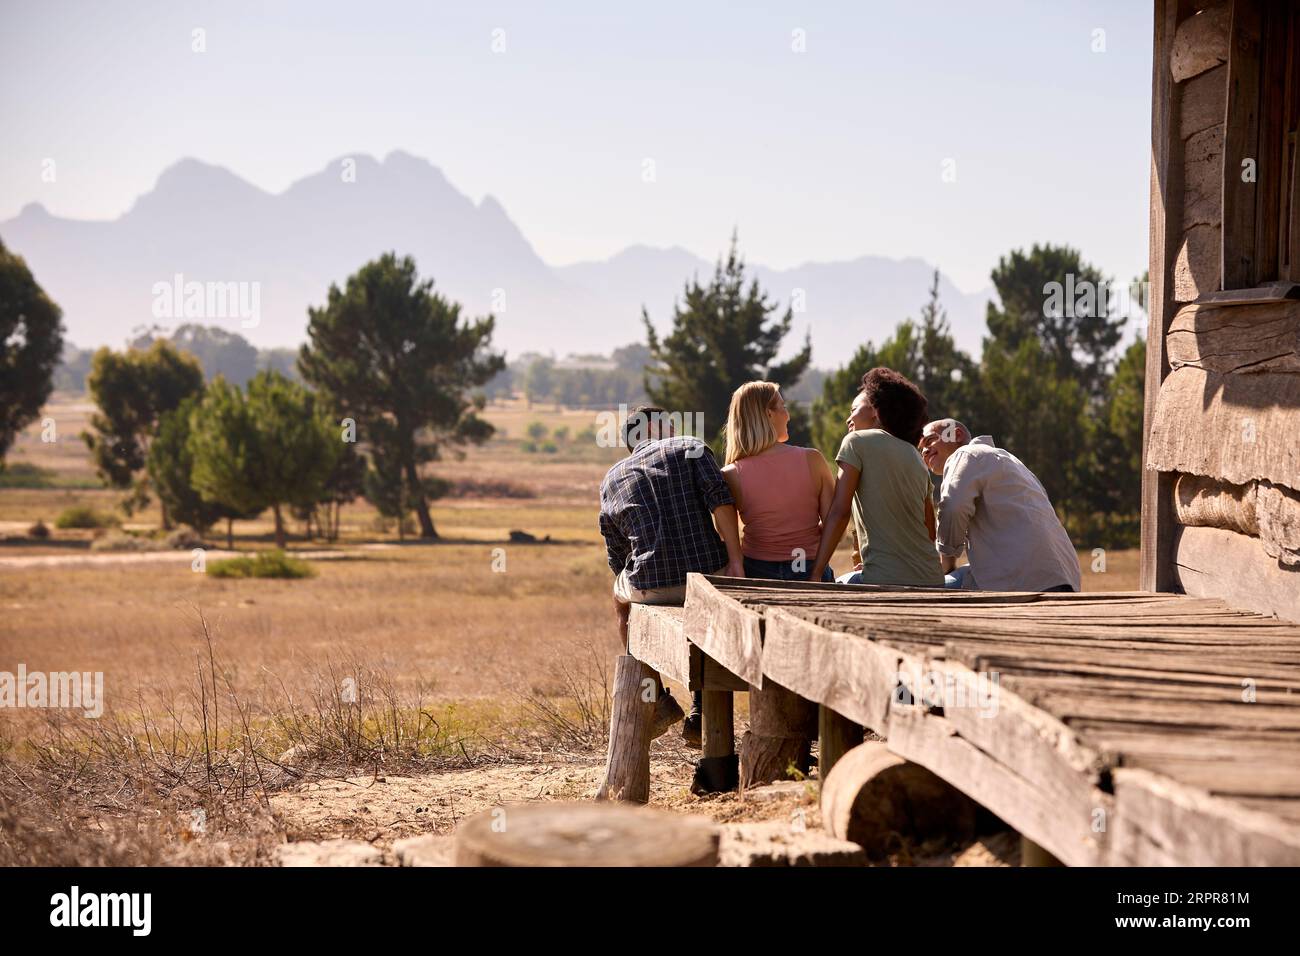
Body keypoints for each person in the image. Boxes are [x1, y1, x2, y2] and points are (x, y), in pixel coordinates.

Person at [599, 405, 745, 747]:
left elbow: (616, 556)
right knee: (706, 624)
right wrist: (735, 560)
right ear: (653, 427)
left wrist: (630, 583)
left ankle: (660, 700)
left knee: (620, 599)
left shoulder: (612, 477)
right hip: (707, 573)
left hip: (650, 583)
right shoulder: (690, 447)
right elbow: (721, 502)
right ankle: (700, 709)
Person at [809, 368, 943, 587]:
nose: (848, 418)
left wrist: (816, 573)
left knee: (837, 582)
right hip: (932, 578)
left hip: (883, 580)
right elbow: (930, 532)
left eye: (854, 409)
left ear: (874, 410)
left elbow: (839, 513)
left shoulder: (856, 442)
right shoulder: (915, 457)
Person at [918, 419, 1081, 593]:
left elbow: (953, 508)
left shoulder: (965, 454)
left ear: (956, 435)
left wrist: (946, 565)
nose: (924, 451)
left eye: (929, 441)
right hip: (1063, 579)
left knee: (924, 590)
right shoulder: (1015, 465)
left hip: (1021, 580)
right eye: (920, 450)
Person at [718, 381, 837, 582]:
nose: (788, 415)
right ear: (769, 414)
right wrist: (816, 570)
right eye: (784, 407)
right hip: (809, 568)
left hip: (757, 571)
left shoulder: (730, 474)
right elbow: (835, 525)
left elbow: (726, 536)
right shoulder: (813, 460)